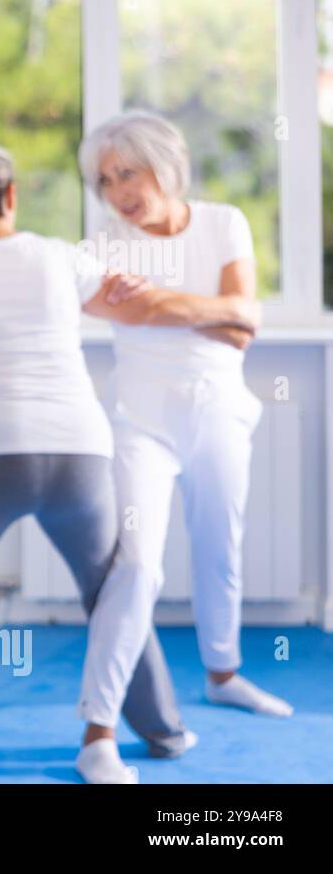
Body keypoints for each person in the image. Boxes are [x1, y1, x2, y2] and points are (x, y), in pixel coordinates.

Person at [0, 141, 220, 783]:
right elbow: (124, 302)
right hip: (77, 452)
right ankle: (166, 731)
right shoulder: (61, 258)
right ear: (12, 197)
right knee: (109, 592)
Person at [77, 110, 292, 719]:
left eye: (127, 173)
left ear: (165, 166)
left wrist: (155, 300)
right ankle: (104, 714)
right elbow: (226, 315)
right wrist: (215, 310)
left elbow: (244, 329)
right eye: (104, 181)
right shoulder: (103, 247)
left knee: (221, 545)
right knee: (139, 558)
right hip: (140, 420)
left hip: (219, 413)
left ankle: (223, 674)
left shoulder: (225, 223)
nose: (118, 192)